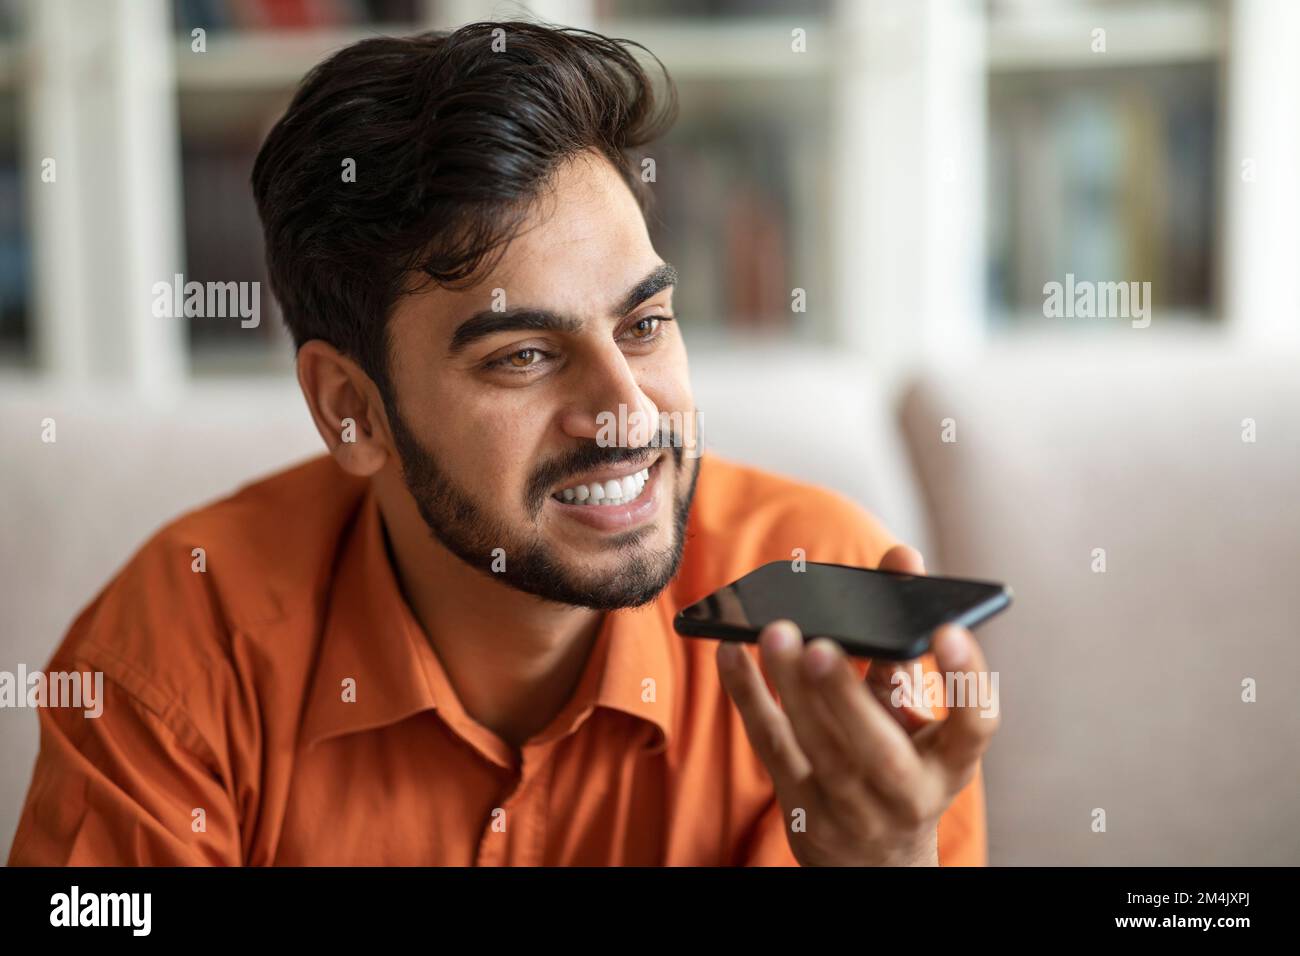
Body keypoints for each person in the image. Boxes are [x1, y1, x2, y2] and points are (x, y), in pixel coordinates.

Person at [9, 21, 994, 866]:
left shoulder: (826, 642)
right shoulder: (175, 655)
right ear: (351, 406)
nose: (627, 413)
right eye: (524, 354)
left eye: (643, 324)